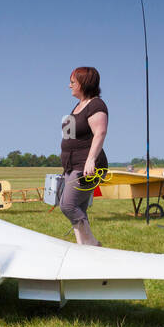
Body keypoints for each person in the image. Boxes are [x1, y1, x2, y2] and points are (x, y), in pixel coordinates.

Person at [59, 66, 108, 246]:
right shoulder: (78, 106)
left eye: (73, 82)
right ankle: (82, 248)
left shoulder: (96, 105)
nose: (69, 86)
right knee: (79, 208)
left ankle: (93, 245)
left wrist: (91, 160)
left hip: (87, 166)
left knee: (68, 206)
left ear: (84, 83)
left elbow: (100, 133)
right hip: (73, 165)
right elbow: (72, 137)